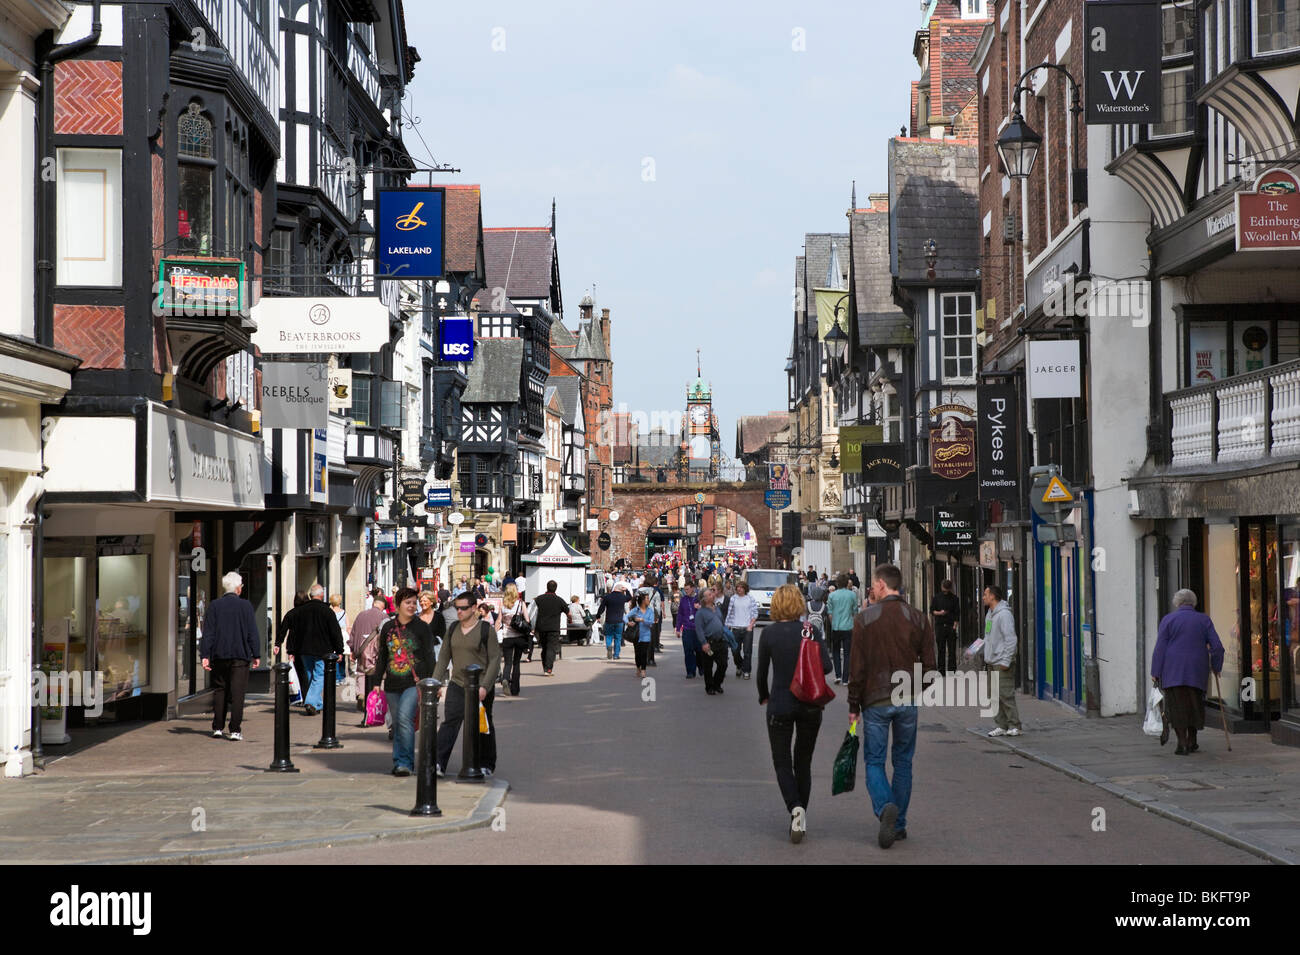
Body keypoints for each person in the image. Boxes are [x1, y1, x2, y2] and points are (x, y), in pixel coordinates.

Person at [848, 564, 937, 849]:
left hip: (875, 699)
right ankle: (898, 825)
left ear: (883, 585)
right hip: (906, 699)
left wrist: (853, 704)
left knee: (874, 760)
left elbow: (857, 669)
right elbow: (931, 668)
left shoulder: (864, 620)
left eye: (874, 585)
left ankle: (886, 805)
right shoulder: (920, 619)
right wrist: (914, 689)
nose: (871, 589)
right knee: (903, 761)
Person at [757, 584, 833, 842]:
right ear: (799, 604)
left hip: (780, 702)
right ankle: (801, 815)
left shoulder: (769, 633)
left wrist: (764, 696)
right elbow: (827, 666)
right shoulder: (810, 630)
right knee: (803, 761)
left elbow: (761, 674)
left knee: (781, 762)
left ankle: (794, 807)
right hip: (809, 703)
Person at [434, 591, 503, 776]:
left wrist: (485, 686)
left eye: (463, 608)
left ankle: (486, 763)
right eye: (457, 608)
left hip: (480, 685)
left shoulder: (485, 630)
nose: (459, 612)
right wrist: (436, 682)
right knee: (450, 723)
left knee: (482, 725)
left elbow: (495, 659)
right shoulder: (453, 629)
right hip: (457, 683)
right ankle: (438, 763)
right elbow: (443, 658)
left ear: (474, 608)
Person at [1152, 589, 1225, 755]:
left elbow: (1160, 648)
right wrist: (1216, 666)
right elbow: (1217, 647)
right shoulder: (1203, 620)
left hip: (1173, 670)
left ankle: (1182, 743)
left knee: (1177, 706)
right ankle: (1192, 741)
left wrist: (1155, 671)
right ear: (1194, 602)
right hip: (1197, 669)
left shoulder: (1168, 620)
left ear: (1177, 603)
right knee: (1195, 703)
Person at [372, 588, 437, 776]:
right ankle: (398, 760)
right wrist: (377, 681)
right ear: (398, 604)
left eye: (414, 602)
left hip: (414, 683)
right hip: (392, 683)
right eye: (408, 602)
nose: (412, 606)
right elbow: (383, 655)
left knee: (404, 719)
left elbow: (429, 656)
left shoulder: (421, 627)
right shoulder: (387, 627)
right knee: (398, 724)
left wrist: (433, 682)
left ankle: (405, 763)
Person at [200, 571, 261, 741]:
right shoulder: (246, 606)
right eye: (241, 586)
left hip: (219, 654)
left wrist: (205, 654)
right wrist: (256, 654)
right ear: (237, 588)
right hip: (240, 656)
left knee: (220, 690)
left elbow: (209, 633)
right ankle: (235, 729)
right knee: (238, 693)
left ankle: (218, 727)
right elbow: (252, 633)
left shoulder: (214, 606)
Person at [276, 584, 344, 716]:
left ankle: (317, 704)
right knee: (319, 676)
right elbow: (335, 632)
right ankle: (311, 702)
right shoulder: (327, 611)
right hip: (321, 650)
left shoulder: (300, 611)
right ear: (321, 595)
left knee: (311, 675)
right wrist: (339, 650)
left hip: (304, 650)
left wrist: (286, 646)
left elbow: (291, 629)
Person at [982, 584, 1022, 738]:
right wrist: (977, 649)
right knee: (993, 695)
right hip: (992, 661)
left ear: (993, 596)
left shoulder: (1004, 615)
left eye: (986, 594)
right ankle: (1002, 725)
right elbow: (988, 636)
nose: (984, 597)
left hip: (1001, 662)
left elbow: (1011, 639)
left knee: (1005, 694)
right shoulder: (990, 614)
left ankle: (1014, 725)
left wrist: (1006, 660)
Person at [349, 595, 390, 713]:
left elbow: (353, 632)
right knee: (375, 674)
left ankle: (361, 693)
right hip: (375, 652)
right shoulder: (384, 616)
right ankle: (371, 699)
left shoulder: (361, 615)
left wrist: (352, 648)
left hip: (360, 650)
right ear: (382, 606)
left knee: (361, 672)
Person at [694, 588, 733, 695]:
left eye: (712, 593)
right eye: (710, 594)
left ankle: (717, 683)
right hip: (709, 642)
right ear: (704, 599)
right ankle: (710, 687)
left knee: (723, 665)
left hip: (721, 641)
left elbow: (721, 622)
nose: (713, 595)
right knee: (708, 667)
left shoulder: (717, 609)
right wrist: (703, 643)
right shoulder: (700, 613)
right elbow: (699, 629)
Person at [531, 580, 569, 676]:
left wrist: (532, 626)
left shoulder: (539, 599)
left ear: (547, 587)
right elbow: (568, 612)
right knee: (551, 648)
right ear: (556, 588)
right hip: (554, 628)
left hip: (541, 628)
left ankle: (545, 667)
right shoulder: (559, 600)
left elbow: (531, 612)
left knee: (544, 648)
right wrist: (570, 619)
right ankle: (548, 669)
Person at [826, 574, 859, 685]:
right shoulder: (852, 595)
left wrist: (833, 624)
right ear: (847, 583)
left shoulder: (832, 596)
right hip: (848, 626)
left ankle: (838, 675)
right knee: (847, 653)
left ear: (837, 583)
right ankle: (845, 678)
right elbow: (855, 612)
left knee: (835, 651)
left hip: (836, 626)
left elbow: (829, 613)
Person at [499, 583, 531, 696]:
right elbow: (527, 619)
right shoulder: (520, 603)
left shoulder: (502, 605)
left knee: (508, 662)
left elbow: (498, 621)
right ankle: (515, 689)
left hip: (507, 637)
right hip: (519, 637)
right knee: (516, 663)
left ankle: (505, 678)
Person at [724, 580, 759, 679]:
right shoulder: (733, 598)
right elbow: (729, 613)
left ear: (745, 588)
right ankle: (739, 665)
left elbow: (755, 613)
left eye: (741, 587)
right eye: (737, 587)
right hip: (735, 628)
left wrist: (750, 625)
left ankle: (746, 671)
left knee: (747, 651)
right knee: (735, 650)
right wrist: (727, 625)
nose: (739, 589)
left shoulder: (750, 598)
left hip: (747, 629)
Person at [930, 579, 961, 675]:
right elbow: (932, 611)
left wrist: (955, 626)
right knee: (942, 649)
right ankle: (943, 670)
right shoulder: (937, 598)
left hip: (948, 626)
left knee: (949, 650)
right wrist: (940, 613)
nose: (945, 591)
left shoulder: (954, 599)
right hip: (941, 626)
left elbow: (957, 613)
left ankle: (947, 670)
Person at [595, 582, 632, 661]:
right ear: (621, 590)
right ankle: (616, 655)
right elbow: (630, 597)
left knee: (608, 636)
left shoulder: (607, 597)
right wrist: (627, 590)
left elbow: (601, 608)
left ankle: (609, 646)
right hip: (619, 621)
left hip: (609, 620)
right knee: (618, 638)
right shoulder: (622, 597)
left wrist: (598, 616)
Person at [626, 592, 656, 677]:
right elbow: (625, 616)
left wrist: (642, 620)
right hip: (637, 635)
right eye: (647, 598)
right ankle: (638, 667)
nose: (648, 600)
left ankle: (643, 670)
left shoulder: (650, 610)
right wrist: (628, 622)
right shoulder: (636, 610)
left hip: (646, 635)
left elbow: (651, 622)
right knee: (637, 654)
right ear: (642, 601)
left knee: (644, 653)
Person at [677, 581, 699, 678]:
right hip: (687, 628)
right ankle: (690, 671)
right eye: (685, 589)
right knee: (688, 651)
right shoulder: (683, 600)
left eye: (688, 589)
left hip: (698, 629)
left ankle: (700, 666)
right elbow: (680, 614)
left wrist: (699, 607)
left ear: (693, 588)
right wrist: (678, 628)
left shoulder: (699, 598)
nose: (686, 591)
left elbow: (707, 610)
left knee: (699, 650)